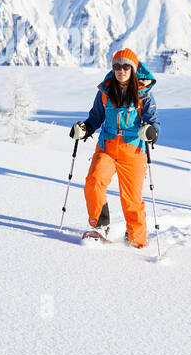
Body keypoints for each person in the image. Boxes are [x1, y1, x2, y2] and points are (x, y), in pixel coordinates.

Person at [68, 48, 160, 247]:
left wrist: (151, 132)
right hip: (107, 148)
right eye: (117, 66)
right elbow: (95, 118)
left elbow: (153, 122)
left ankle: (137, 241)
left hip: (133, 151)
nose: (121, 70)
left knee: (132, 200)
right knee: (94, 181)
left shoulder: (144, 95)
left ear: (133, 69)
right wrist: (85, 128)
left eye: (126, 66)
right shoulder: (105, 92)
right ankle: (100, 226)